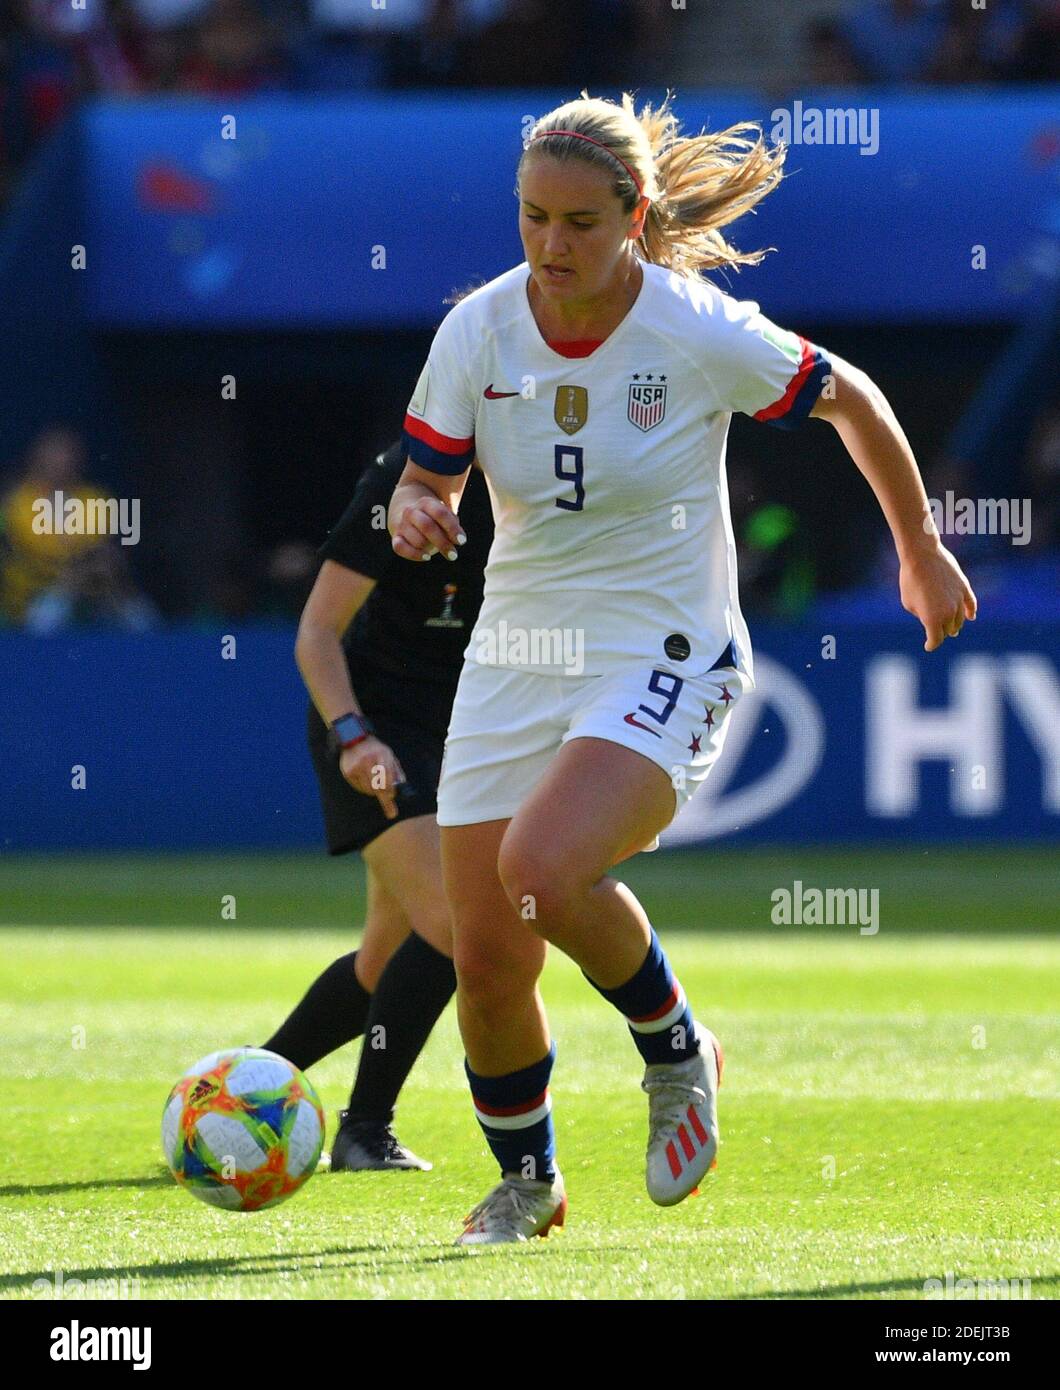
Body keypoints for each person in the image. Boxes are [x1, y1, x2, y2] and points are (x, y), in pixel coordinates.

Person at [388, 92, 977, 1244]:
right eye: (530, 218)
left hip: (666, 645)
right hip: (515, 651)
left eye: (578, 224)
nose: (550, 248)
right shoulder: (478, 330)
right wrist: (419, 510)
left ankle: (675, 1052)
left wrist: (917, 546)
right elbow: (430, 479)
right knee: (490, 955)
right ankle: (527, 1180)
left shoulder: (694, 327)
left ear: (634, 217)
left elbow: (848, 397)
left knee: (544, 870)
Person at [261, 438, 493, 1169]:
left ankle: (237, 1091)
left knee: (383, 959)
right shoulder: (407, 476)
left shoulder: (551, 475)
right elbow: (316, 633)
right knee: (460, 925)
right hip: (371, 725)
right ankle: (365, 1130)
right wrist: (354, 738)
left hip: (458, 729)